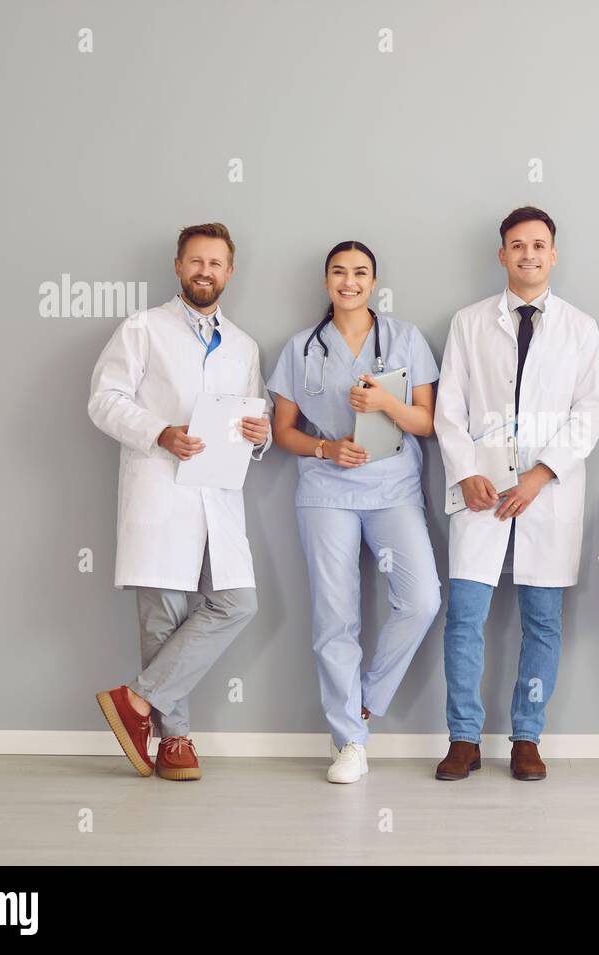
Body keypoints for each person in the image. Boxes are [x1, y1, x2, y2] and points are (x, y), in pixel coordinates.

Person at [89, 222, 271, 781]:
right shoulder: (143, 329)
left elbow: (251, 413)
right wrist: (160, 432)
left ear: (229, 272)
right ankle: (175, 742)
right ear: (178, 267)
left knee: (236, 602)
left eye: (215, 263)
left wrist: (259, 437)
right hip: (160, 488)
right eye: (195, 261)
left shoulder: (243, 345)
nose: (204, 272)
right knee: (163, 620)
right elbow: (104, 400)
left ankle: (137, 701)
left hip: (217, 494)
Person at [433, 206, 599, 781]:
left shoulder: (581, 328)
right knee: (464, 619)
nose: (528, 254)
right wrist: (464, 472)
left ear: (553, 255)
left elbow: (591, 412)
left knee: (542, 622)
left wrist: (541, 474)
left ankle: (527, 737)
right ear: (502, 254)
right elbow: (449, 408)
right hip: (480, 492)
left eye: (539, 245)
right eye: (517, 245)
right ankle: (463, 738)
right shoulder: (468, 321)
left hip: (547, 494)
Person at [267, 240, 441, 784]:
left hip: (392, 488)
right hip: (326, 491)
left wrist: (386, 403)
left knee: (422, 600)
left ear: (374, 282)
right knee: (334, 615)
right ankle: (349, 743)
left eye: (360, 273)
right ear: (327, 282)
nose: (350, 281)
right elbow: (282, 432)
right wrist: (326, 448)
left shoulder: (406, 338)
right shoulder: (300, 348)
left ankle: (365, 699)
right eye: (339, 272)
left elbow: (427, 423)